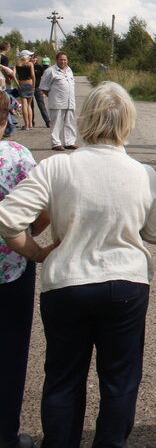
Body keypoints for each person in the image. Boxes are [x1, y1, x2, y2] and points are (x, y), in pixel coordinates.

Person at [0, 82, 156, 447]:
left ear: (85, 119)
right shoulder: (143, 173)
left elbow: (7, 220)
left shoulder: (57, 167)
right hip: (126, 284)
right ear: (127, 120)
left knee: (64, 376)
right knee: (120, 378)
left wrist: (35, 252)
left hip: (67, 283)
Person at [0, 91, 45, 448]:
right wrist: (34, 242)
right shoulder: (16, 157)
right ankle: (5, 434)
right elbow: (41, 206)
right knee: (10, 352)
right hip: (11, 268)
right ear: (6, 118)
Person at [37, 51, 77, 151]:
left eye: (64, 59)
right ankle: (56, 143)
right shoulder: (50, 71)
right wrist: (52, 96)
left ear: (67, 60)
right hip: (57, 102)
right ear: (56, 60)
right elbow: (43, 87)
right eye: (61, 59)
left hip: (70, 102)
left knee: (70, 123)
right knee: (56, 124)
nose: (63, 61)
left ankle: (69, 142)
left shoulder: (69, 70)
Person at [32, 54, 50, 128]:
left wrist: (43, 88)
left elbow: (44, 78)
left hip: (38, 87)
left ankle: (47, 121)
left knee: (41, 105)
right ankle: (31, 122)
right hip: (30, 88)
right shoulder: (27, 66)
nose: (33, 59)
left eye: (35, 58)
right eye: (32, 58)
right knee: (30, 106)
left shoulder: (39, 67)